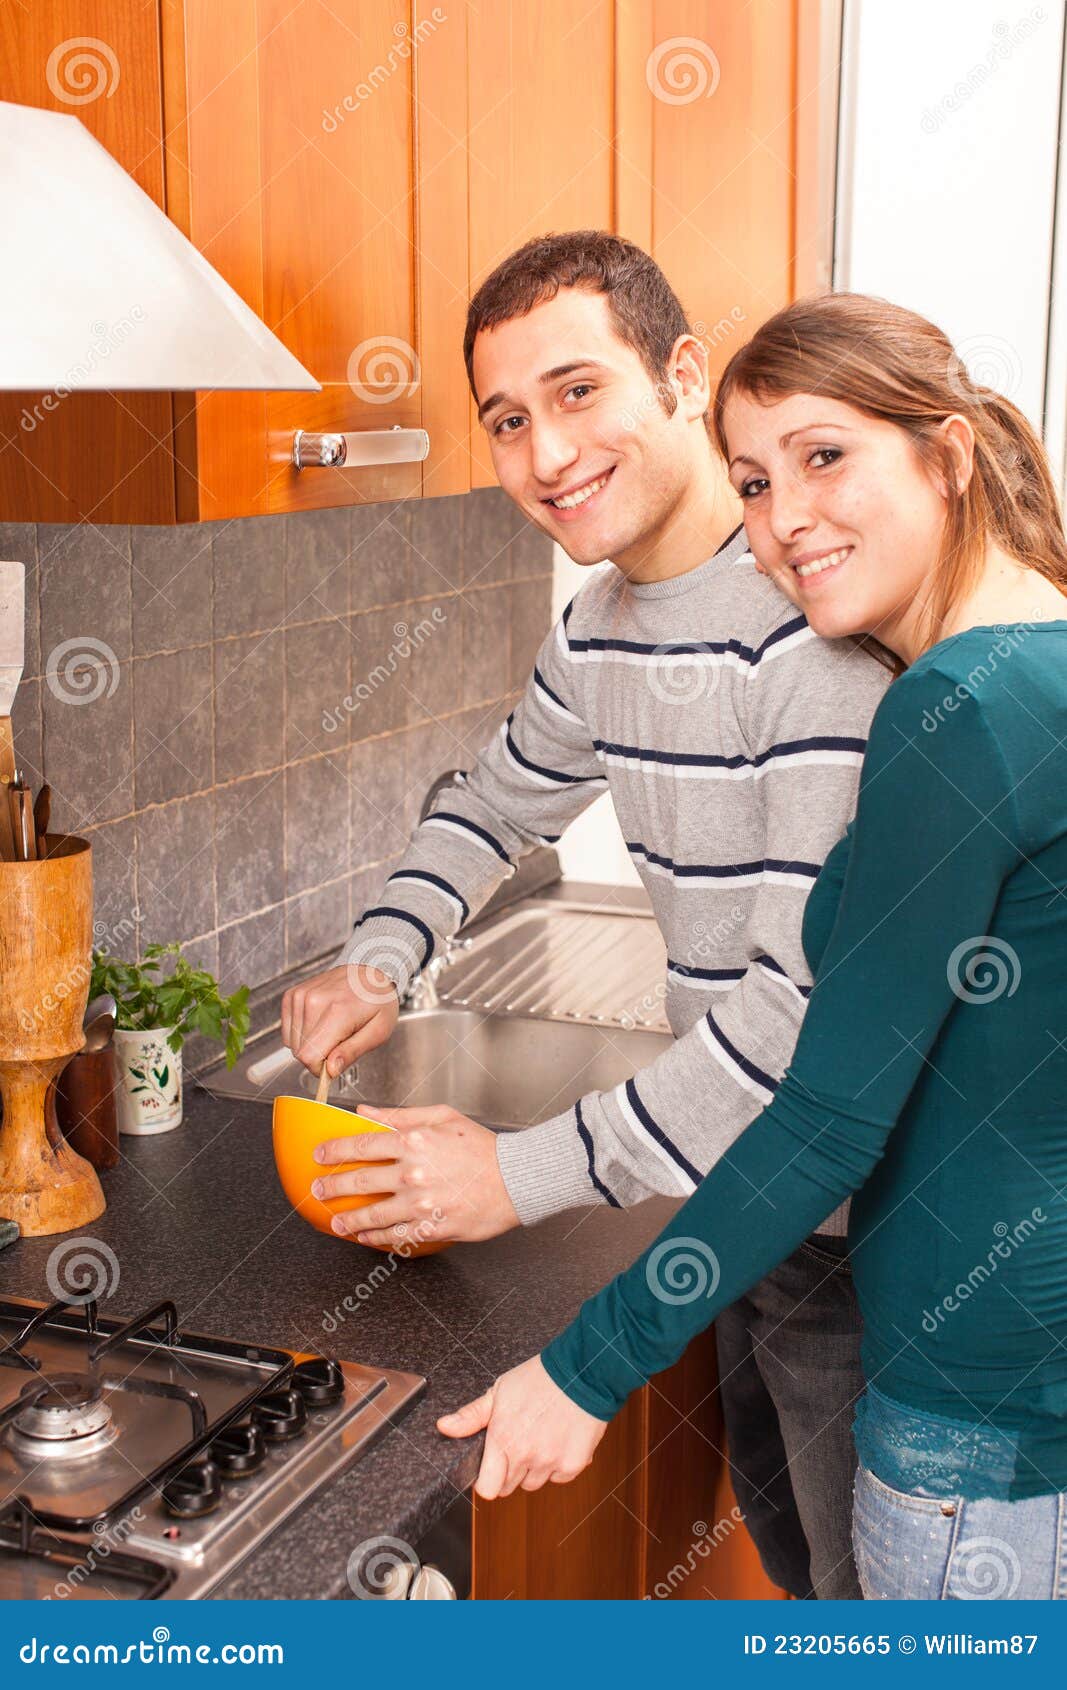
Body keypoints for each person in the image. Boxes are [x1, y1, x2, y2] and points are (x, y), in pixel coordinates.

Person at [281, 235, 890, 1598]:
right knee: (798, 1567)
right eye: (508, 421)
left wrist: (513, 1174)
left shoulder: (810, 630)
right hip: (749, 1209)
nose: (546, 455)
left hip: (873, 1237)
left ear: (681, 376)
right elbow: (493, 802)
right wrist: (385, 953)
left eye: (576, 393)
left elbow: (791, 1021)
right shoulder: (603, 626)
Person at [440, 290, 1067, 1602]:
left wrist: (585, 1362)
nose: (784, 522)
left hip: (973, 1417)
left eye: (826, 457)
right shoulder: (1032, 662)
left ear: (946, 457)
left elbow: (828, 1114)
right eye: (753, 480)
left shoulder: (960, 711)